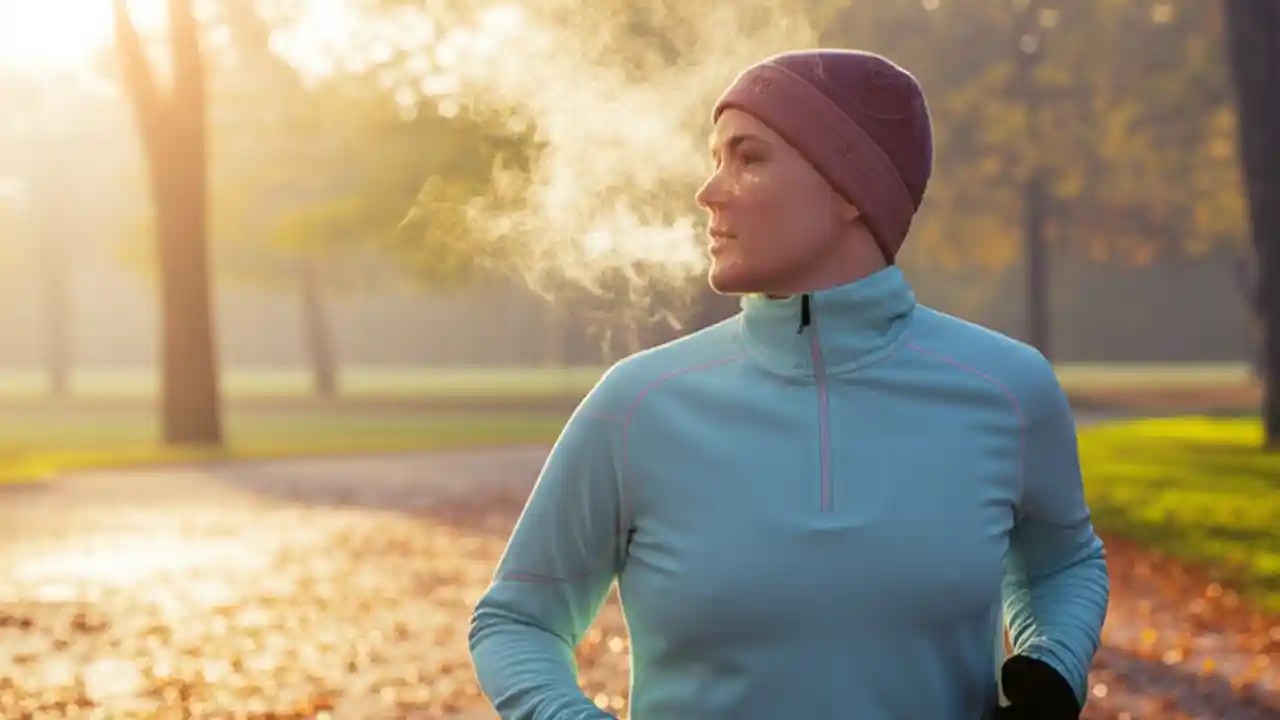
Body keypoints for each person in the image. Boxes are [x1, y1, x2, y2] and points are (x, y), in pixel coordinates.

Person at [468, 48, 1109, 720]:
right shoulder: (637, 406)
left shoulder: (1008, 389)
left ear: (848, 191)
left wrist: (1051, 672)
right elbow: (518, 620)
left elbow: (1061, 562)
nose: (709, 191)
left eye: (747, 158)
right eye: (715, 158)